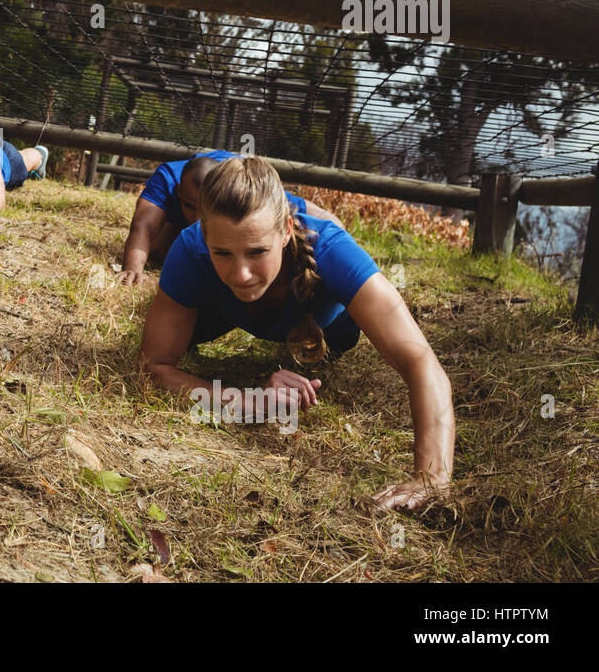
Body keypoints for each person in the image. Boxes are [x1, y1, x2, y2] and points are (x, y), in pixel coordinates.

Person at [138, 156, 454, 511]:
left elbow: (421, 359)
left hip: (330, 332)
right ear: (204, 235)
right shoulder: (189, 248)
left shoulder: (333, 250)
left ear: (287, 230)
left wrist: (432, 477)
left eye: (257, 251)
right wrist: (242, 401)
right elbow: (153, 366)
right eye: (222, 253)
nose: (241, 273)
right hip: (230, 314)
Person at [120, 150, 343, 285]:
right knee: (159, 247)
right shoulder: (168, 178)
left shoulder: (248, 187)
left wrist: (346, 251)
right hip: (175, 226)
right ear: (178, 191)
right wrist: (133, 269)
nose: (198, 221)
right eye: (190, 206)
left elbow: (326, 218)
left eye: (206, 208)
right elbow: (143, 225)